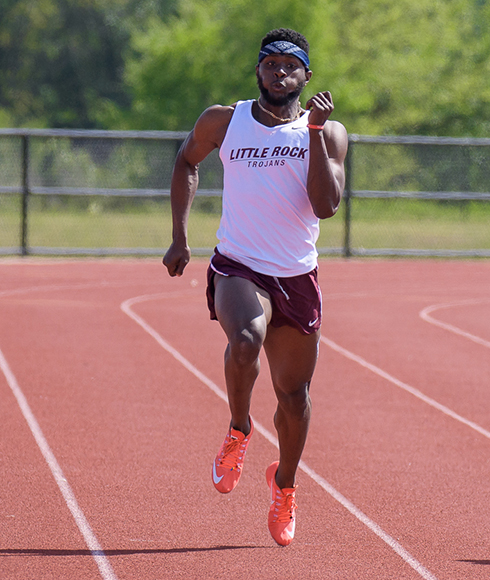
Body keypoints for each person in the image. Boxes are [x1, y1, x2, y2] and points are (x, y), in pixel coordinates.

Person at [162, 28, 347, 546]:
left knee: (294, 397)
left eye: (292, 65)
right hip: (238, 264)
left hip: (297, 275)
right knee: (244, 341)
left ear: (307, 76)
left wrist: (313, 130)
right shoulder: (225, 120)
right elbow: (185, 162)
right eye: (271, 63)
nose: (280, 72)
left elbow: (326, 206)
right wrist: (180, 237)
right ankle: (239, 429)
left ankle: (284, 484)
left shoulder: (329, 133)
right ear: (259, 70)